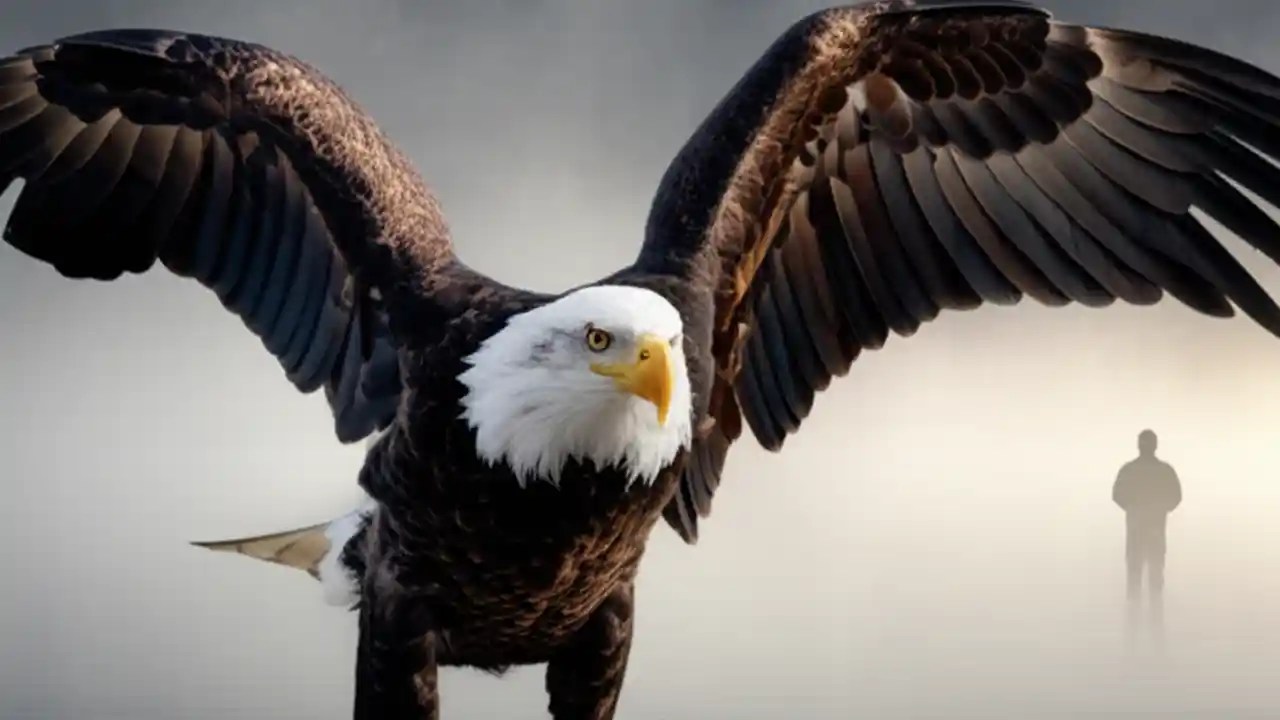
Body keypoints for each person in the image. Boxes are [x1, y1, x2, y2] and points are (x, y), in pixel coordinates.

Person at [1112, 430, 1182, 619]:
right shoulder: (1164, 471)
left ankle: (1135, 624)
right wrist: (1160, 508)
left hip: (1138, 529)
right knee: (1154, 578)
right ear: (1155, 445)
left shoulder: (1129, 470)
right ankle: (1154, 622)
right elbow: (1176, 496)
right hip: (1155, 530)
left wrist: (1133, 508)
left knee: (1137, 577)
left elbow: (1117, 494)